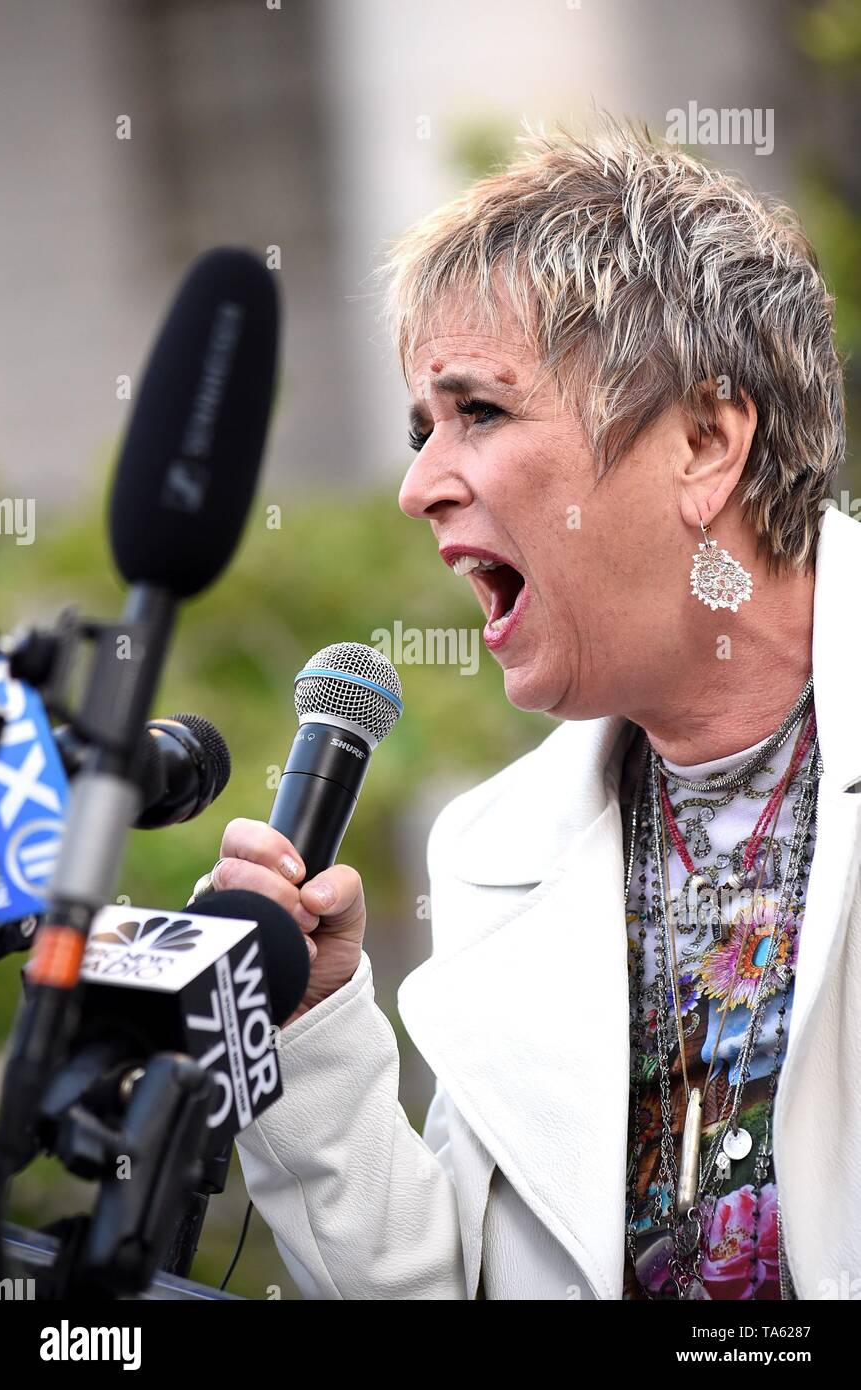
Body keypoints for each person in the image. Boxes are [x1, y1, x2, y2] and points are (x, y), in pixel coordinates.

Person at [194, 121, 860, 1300]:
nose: (417, 484)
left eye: (480, 413)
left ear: (706, 440)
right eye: (420, 427)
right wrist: (308, 1032)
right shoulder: (496, 846)